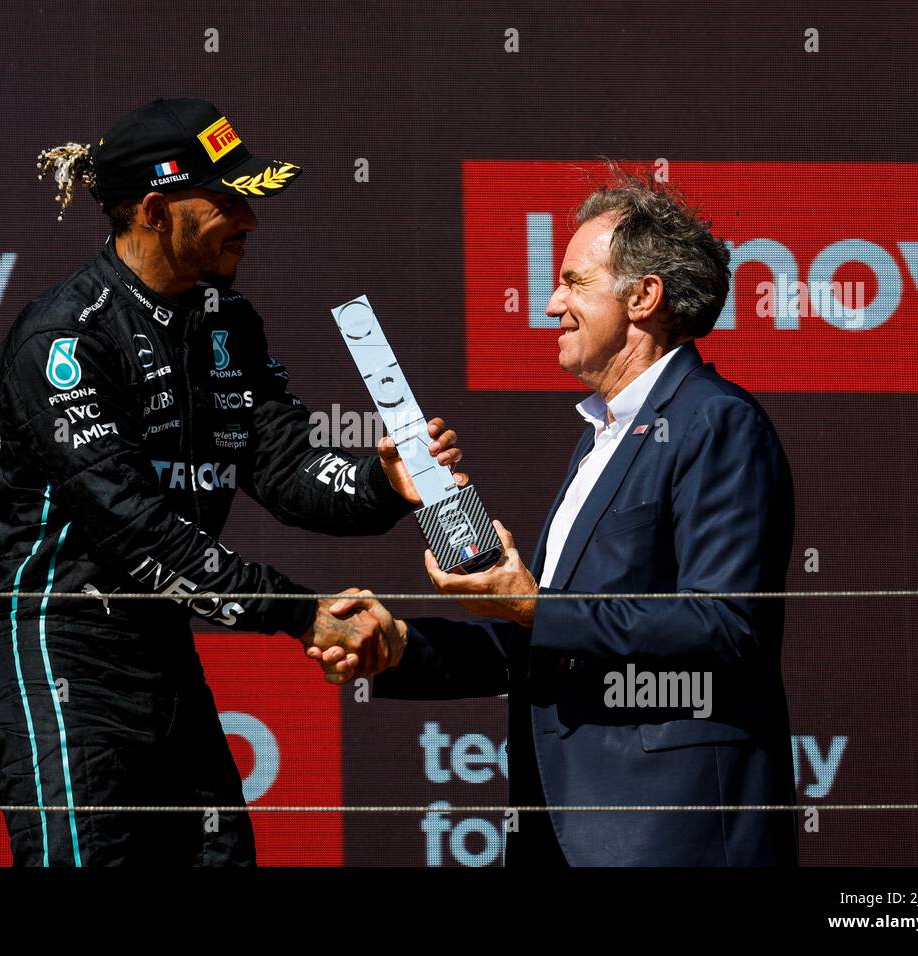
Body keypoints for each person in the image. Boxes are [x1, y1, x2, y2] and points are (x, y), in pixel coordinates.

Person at [0, 98, 463, 866]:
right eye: (230, 200)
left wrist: (381, 484)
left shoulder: (228, 321)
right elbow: (137, 533)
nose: (251, 220)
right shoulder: (65, 338)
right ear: (158, 210)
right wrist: (304, 615)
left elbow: (287, 466)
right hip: (60, 662)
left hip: (163, 660)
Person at [315, 167, 799, 866]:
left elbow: (725, 627)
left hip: (671, 837)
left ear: (643, 296)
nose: (550, 304)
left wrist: (535, 606)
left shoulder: (716, 423)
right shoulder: (600, 439)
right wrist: (399, 646)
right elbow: (551, 634)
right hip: (561, 834)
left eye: (573, 282)